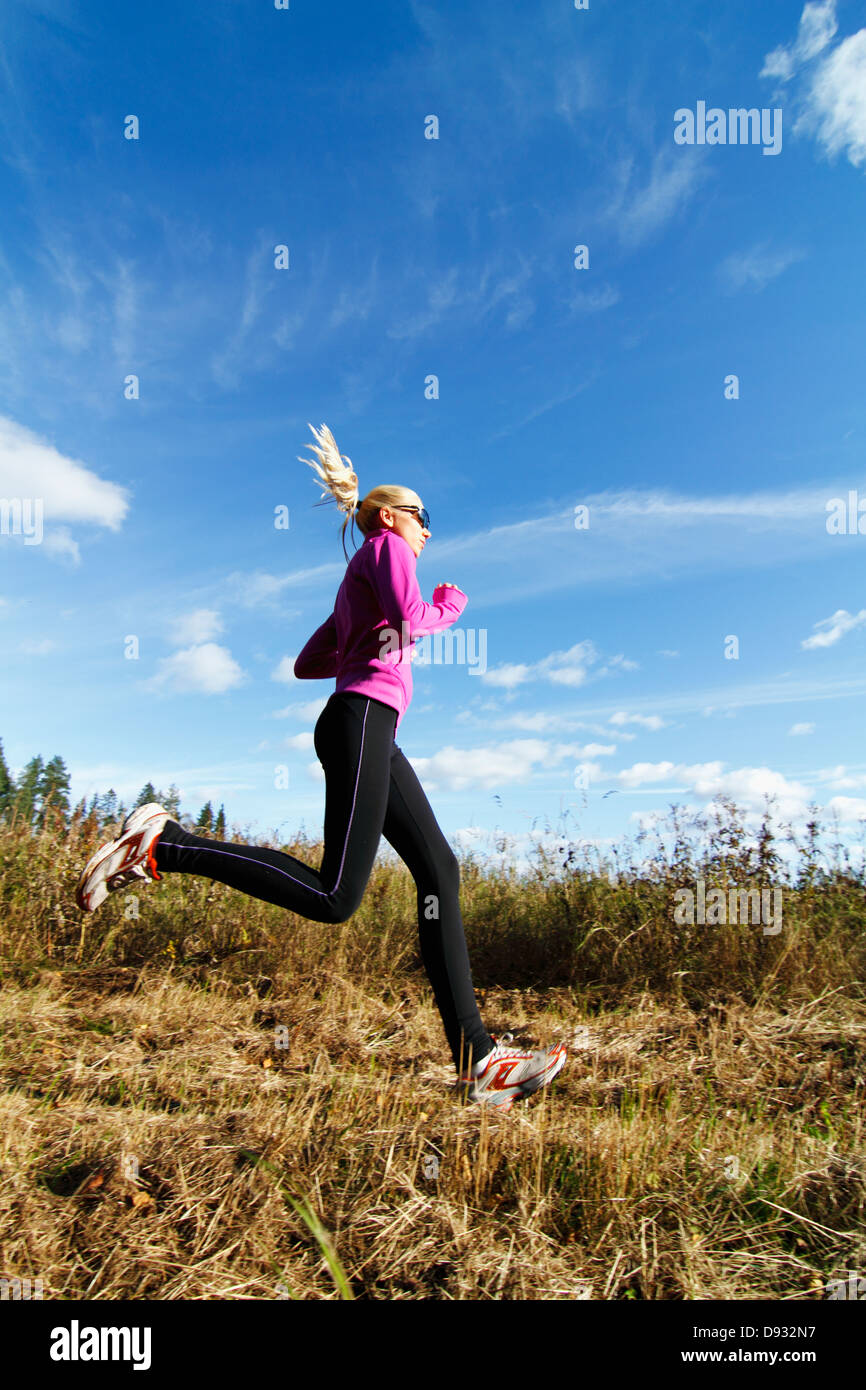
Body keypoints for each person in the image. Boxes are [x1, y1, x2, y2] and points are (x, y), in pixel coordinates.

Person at [75, 424, 567, 1110]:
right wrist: (450, 606)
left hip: (369, 728)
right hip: (363, 720)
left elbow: (308, 663)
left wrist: (358, 636)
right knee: (336, 896)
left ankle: (477, 1058)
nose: (428, 533)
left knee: (440, 871)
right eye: (425, 519)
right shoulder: (388, 548)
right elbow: (412, 616)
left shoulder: (358, 572)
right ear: (392, 517)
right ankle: (168, 844)